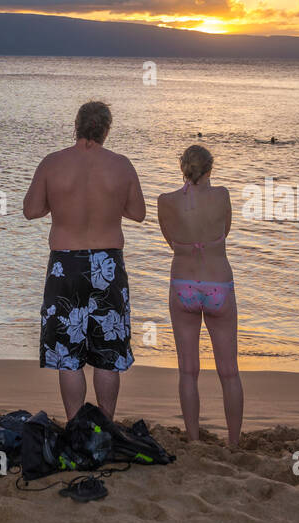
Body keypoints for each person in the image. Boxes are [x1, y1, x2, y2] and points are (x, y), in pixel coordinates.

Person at [23, 100, 146, 421]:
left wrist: (64, 201)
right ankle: (103, 427)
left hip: (66, 265)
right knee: (107, 354)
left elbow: (31, 210)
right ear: (106, 129)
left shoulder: (53, 163)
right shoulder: (121, 165)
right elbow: (138, 213)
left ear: (76, 125)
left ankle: (77, 427)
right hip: (108, 263)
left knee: (68, 354)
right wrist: (106, 202)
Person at [158, 144, 243, 450]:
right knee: (229, 372)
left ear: (183, 168)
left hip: (183, 286)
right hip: (218, 285)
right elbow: (226, 231)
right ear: (210, 168)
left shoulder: (165, 201)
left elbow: (172, 241)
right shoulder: (222, 195)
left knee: (188, 371)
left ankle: (193, 440)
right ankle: (233, 444)